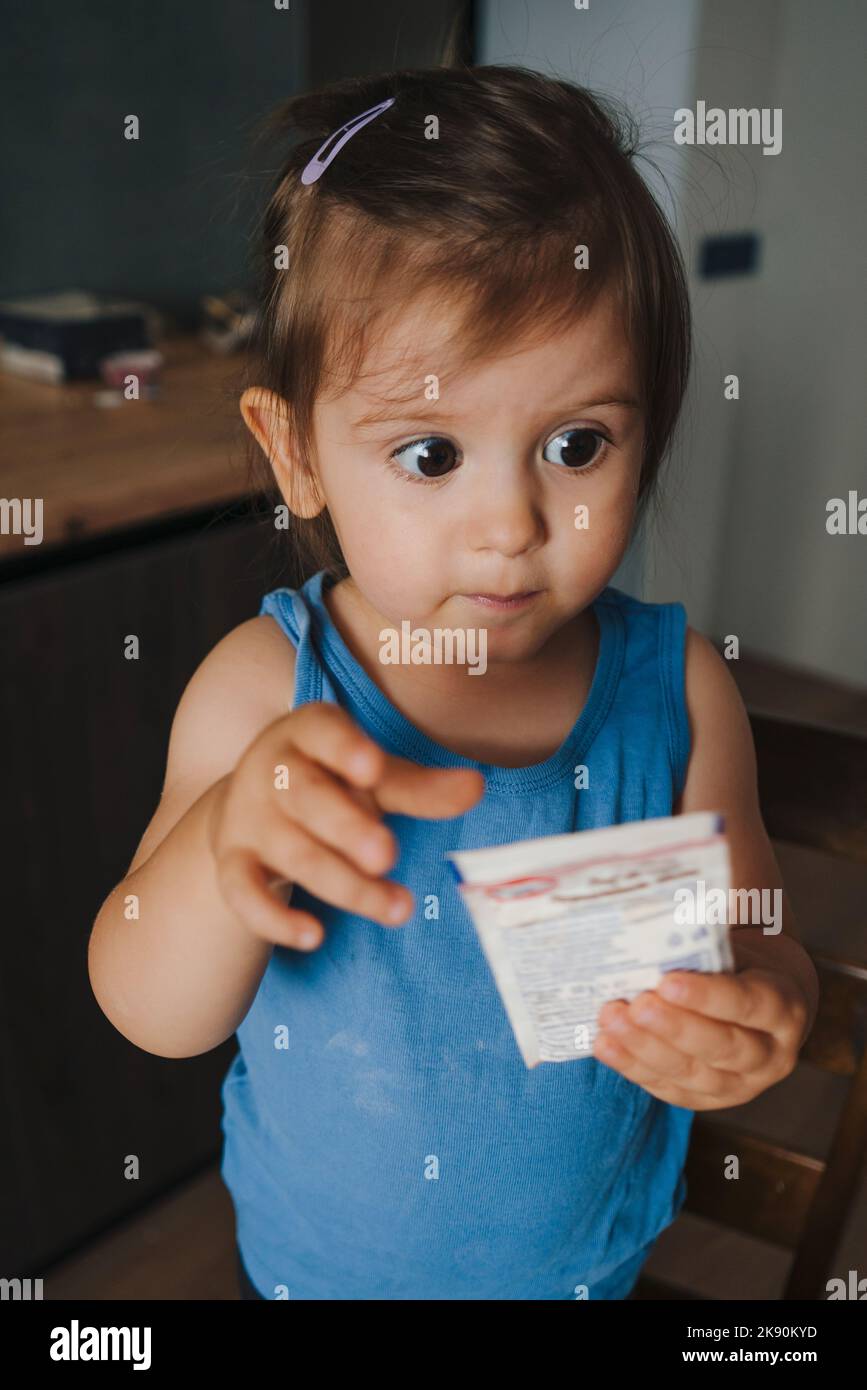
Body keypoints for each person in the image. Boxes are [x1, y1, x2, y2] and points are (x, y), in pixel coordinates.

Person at [88, 64, 818, 1300]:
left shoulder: (682, 692)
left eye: (577, 443)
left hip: (590, 1275)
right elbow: (153, 1009)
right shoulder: (269, 693)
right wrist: (225, 842)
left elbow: (755, 947)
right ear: (297, 453)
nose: (509, 524)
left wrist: (759, 1015)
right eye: (430, 453)